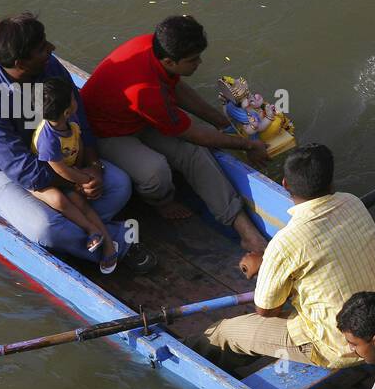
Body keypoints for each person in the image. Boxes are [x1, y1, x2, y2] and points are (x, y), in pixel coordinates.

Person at [0, 13, 154, 272]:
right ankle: (113, 240)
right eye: (42, 48)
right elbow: (20, 168)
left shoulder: (49, 67)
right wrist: (76, 180)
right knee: (45, 228)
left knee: (118, 186)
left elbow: (78, 118)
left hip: (53, 154)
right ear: (21, 63)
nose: (52, 49)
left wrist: (93, 166)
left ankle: (77, 238)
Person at [190, 144, 375, 370]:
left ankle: (189, 357)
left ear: (285, 184)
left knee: (223, 333)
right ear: (331, 181)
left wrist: (262, 268)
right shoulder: (353, 202)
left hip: (339, 346)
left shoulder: (285, 243)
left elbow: (266, 310)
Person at [80, 15, 268, 252]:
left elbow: (176, 88)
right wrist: (248, 145)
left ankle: (246, 233)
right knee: (155, 172)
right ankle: (162, 202)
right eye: (193, 60)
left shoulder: (153, 46)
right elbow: (193, 134)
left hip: (136, 117)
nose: (199, 63)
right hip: (105, 133)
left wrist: (221, 122)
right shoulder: (146, 91)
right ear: (169, 61)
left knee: (194, 154)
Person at [28, 77, 118, 273]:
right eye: (72, 98)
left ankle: (109, 244)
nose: (75, 98)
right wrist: (83, 180)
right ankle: (91, 229)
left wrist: (83, 168)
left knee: (81, 203)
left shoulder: (71, 121)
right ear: (67, 110)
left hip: (70, 171)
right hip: (46, 178)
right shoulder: (48, 139)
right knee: (60, 200)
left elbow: (78, 144)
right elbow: (58, 169)